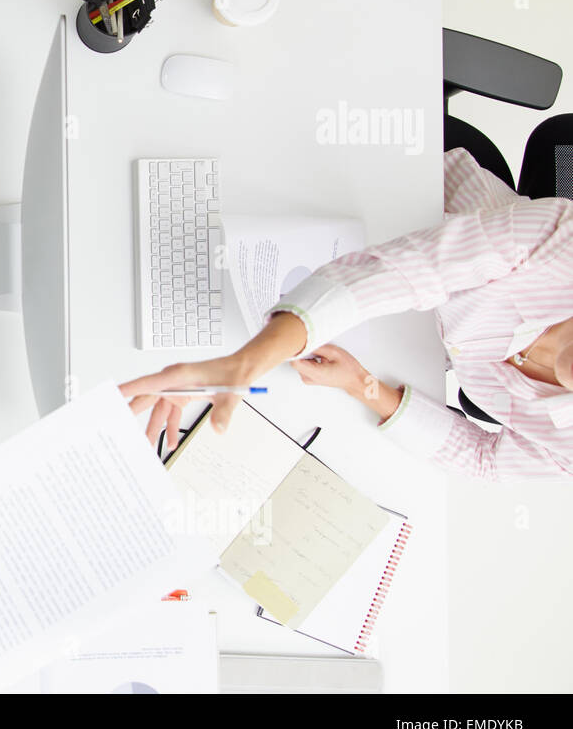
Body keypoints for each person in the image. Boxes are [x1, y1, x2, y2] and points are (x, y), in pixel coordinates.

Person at [123, 148, 573, 481]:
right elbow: (409, 272)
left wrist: (362, 385)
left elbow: (485, 461)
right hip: (404, 189)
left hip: (410, 323)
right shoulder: (564, 248)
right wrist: (246, 363)